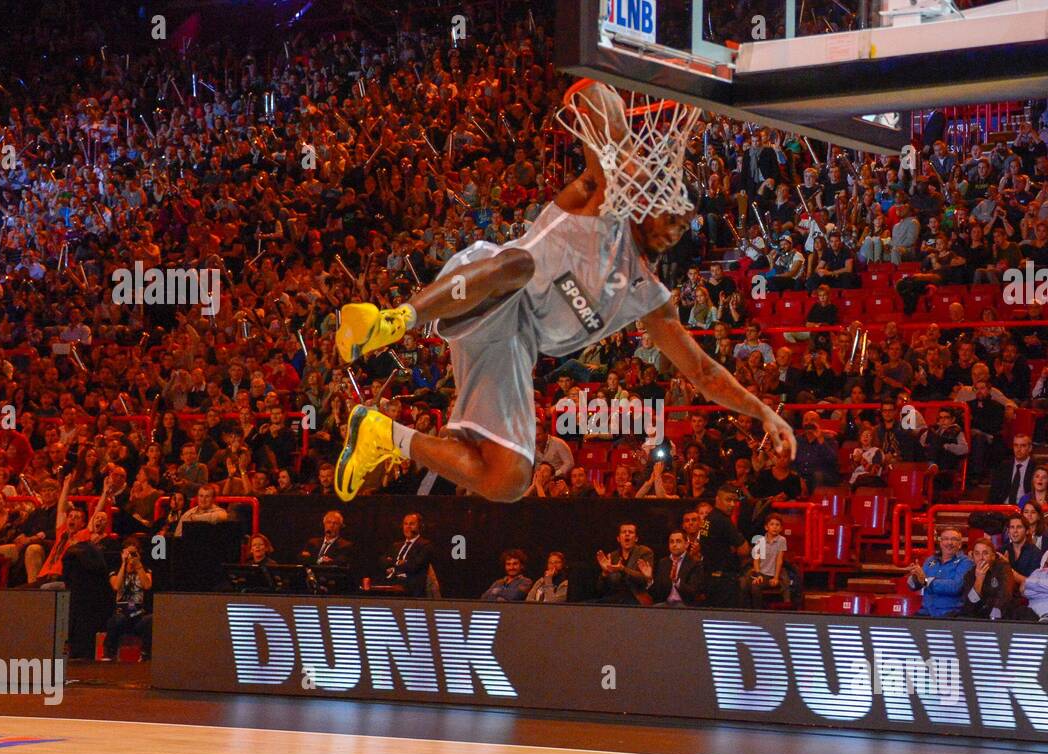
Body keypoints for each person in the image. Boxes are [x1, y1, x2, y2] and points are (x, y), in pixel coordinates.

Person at [333, 82, 795, 503]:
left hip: (514, 344)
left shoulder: (648, 294)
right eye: (671, 214)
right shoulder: (597, 197)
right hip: (485, 284)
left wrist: (764, 414)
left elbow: (702, 371)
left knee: (509, 479)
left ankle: (381, 434)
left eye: (683, 225)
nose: (675, 230)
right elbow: (595, 99)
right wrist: (607, 90)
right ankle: (391, 322)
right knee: (522, 264)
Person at [699, 484, 750, 608]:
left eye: (735, 500)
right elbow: (744, 550)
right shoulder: (723, 521)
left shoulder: (709, 518)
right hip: (724, 580)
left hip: (710, 576)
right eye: (728, 500)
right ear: (717, 499)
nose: (732, 504)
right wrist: (735, 547)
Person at [906, 529, 973, 618]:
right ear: (940, 543)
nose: (949, 542)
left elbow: (956, 587)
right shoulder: (931, 560)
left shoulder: (965, 562)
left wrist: (926, 581)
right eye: (945, 539)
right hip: (926, 612)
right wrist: (914, 575)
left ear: (960, 544)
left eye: (954, 539)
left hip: (950, 614)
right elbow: (913, 586)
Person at [103, 539, 152, 661]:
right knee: (116, 620)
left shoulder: (145, 570)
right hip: (122, 613)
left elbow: (147, 585)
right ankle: (110, 653)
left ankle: (146, 654)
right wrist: (124, 564)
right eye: (129, 553)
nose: (131, 556)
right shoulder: (115, 571)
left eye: (134, 553)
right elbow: (116, 586)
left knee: (151, 620)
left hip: (138, 614)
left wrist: (139, 566)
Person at [595, 523, 654, 605]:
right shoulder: (612, 556)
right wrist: (605, 573)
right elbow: (600, 590)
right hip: (615, 599)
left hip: (636, 598)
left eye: (630, 532)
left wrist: (623, 569)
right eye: (624, 532)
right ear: (618, 539)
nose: (627, 534)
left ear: (636, 538)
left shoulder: (644, 552)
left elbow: (644, 580)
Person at [643, 531, 705, 607]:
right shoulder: (663, 563)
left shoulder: (694, 563)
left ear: (686, 544)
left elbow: (693, 593)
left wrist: (677, 581)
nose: (674, 545)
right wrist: (649, 579)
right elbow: (657, 595)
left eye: (678, 541)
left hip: (685, 605)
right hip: (665, 604)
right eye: (671, 542)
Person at [959, 538, 1013, 620]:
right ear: (972, 556)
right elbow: (970, 605)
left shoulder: (1003, 568)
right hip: (978, 615)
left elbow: (1004, 596)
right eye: (977, 554)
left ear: (993, 556)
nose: (981, 558)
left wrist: (993, 618)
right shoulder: (969, 574)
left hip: (1000, 615)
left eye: (985, 553)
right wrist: (979, 579)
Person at [382, 513, 433, 597]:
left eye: (412, 524)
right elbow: (383, 561)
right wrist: (399, 562)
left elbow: (414, 566)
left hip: (411, 591)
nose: (408, 527)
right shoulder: (396, 545)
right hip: (392, 586)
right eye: (405, 524)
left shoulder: (425, 545)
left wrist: (393, 564)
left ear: (420, 526)